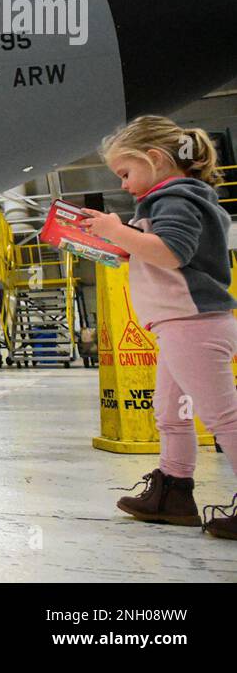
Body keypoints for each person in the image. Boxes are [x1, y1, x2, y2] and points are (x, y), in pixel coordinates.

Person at [81, 116, 237, 539]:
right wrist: (121, 241)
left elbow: (171, 252)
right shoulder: (175, 199)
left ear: (155, 158)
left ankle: (175, 488)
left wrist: (118, 230)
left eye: (126, 173)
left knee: (225, 417)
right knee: (172, 413)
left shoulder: (175, 198)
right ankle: (173, 491)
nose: (125, 185)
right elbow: (161, 253)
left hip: (194, 326)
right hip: (180, 327)